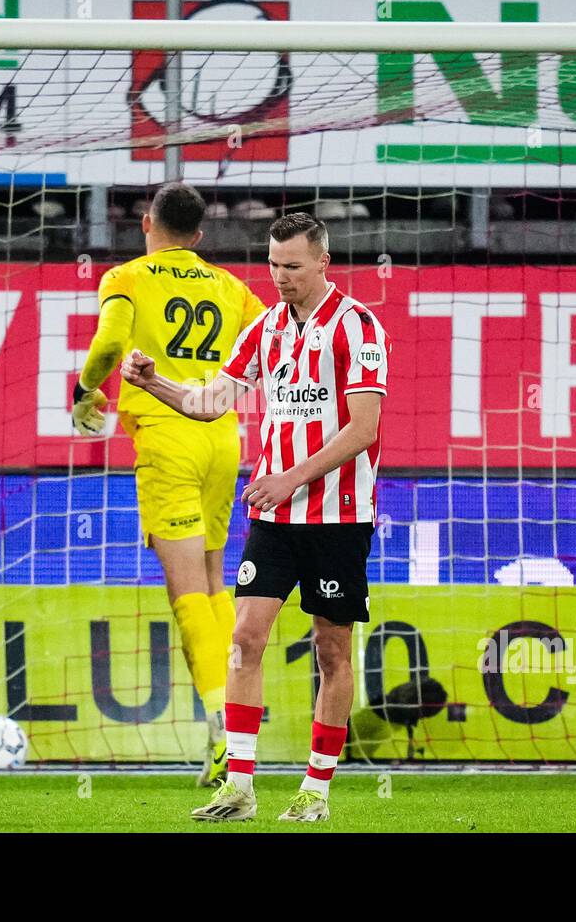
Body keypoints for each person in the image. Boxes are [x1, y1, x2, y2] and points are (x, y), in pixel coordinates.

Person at [120, 212, 390, 822]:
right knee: (244, 638)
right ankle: (239, 785)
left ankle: (315, 790)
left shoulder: (359, 327)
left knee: (331, 649)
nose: (280, 277)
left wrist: (290, 478)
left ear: (323, 262)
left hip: (338, 515)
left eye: (292, 266)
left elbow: (365, 428)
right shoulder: (267, 328)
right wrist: (155, 381)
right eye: (273, 265)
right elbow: (212, 401)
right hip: (275, 515)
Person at [71, 182, 266, 787]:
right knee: (212, 581)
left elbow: (107, 342)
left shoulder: (128, 276)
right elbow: (272, 344)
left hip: (167, 437)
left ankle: (225, 726)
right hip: (221, 437)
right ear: (200, 236)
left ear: (147, 222)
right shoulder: (232, 287)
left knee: (184, 592)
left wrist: (85, 389)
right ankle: (239, 715)